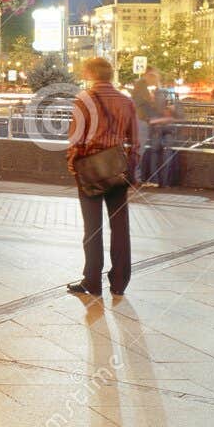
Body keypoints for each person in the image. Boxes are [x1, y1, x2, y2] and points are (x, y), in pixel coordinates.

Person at [66, 56, 137, 297]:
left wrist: (74, 166)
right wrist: (130, 169)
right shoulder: (126, 102)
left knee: (92, 228)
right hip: (118, 169)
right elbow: (135, 142)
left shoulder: (84, 100)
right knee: (120, 227)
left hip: (91, 169)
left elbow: (75, 139)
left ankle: (92, 281)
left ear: (91, 74)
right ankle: (119, 283)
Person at [130, 67, 172, 187]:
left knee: (148, 150)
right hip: (143, 120)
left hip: (151, 121)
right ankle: (135, 178)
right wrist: (152, 100)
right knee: (140, 149)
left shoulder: (153, 86)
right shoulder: (141, 85)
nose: (155, 78)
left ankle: (147, 179)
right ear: (147, 75)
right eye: (153, 75)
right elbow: (140, 103)